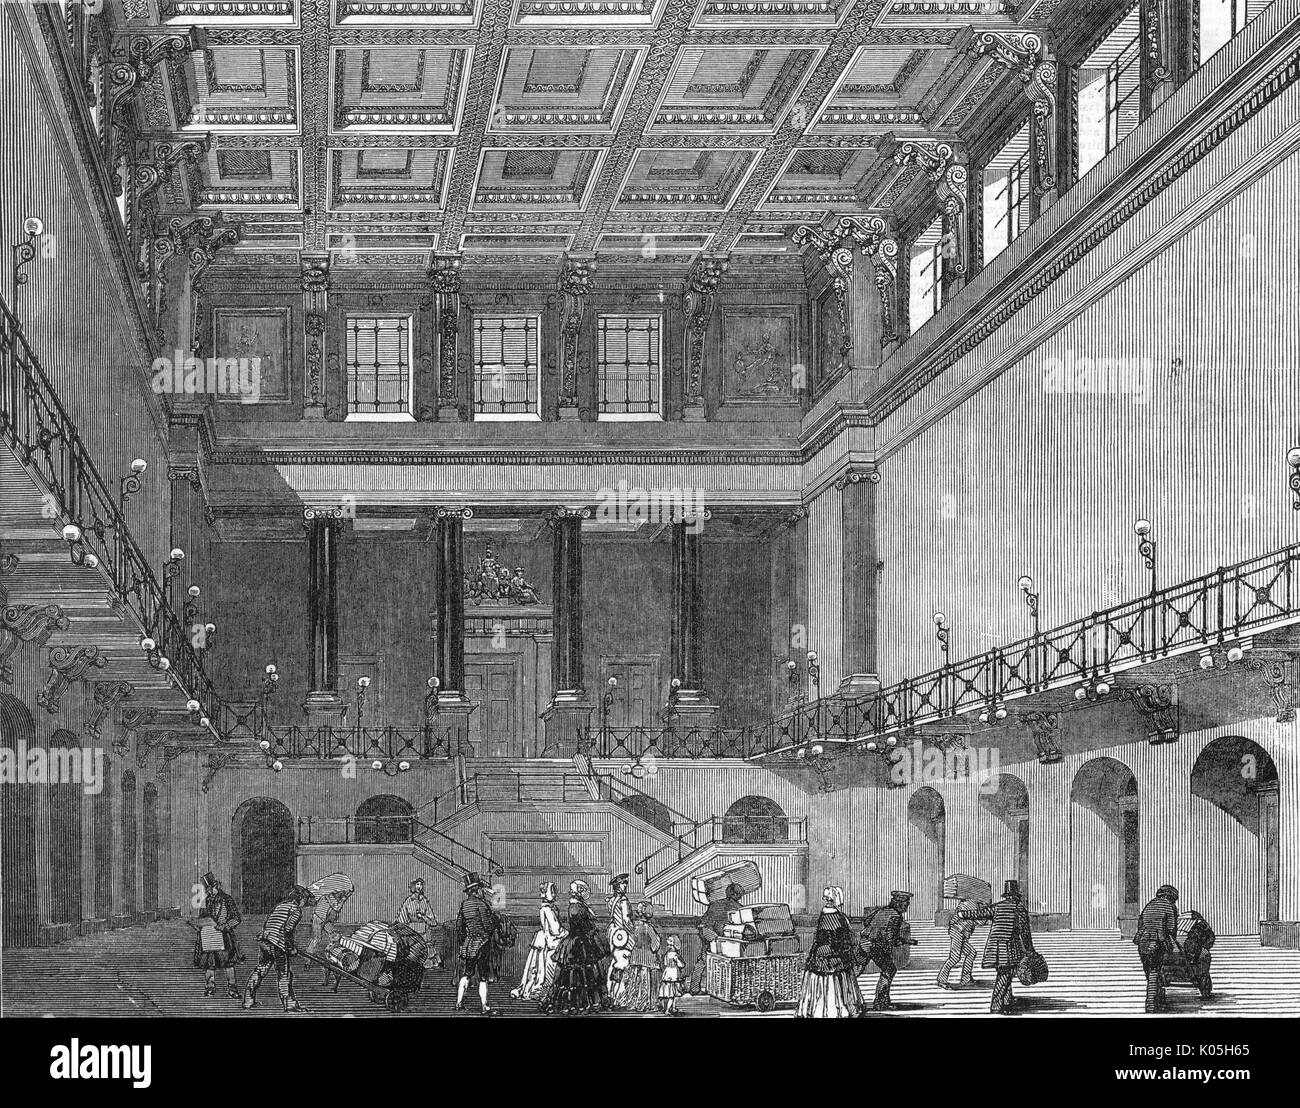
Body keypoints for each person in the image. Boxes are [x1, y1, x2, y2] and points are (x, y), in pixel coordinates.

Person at [959, 879, 1036, 1014]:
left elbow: (980, 913)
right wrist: (1030, 951)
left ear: (1006, 896)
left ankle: (1008, 999)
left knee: (1005, 972)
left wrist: (963, 914)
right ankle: (996, 1005)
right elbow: (1025, 933)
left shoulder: (997, 906)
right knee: (1005, 974)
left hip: (994, 947)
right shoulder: (1019, 909)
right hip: (1009, 947)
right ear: (1016, 895)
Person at [540, 879, 608, 1013]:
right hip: (578, 943)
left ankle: (587, 1003)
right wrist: (591, 931)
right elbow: (581, 926)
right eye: (582, 891)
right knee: (577, 975)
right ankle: (577, 1004)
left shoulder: (578, 905)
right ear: (578, 892)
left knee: (586, 974)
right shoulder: (576, 907)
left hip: (582, 941)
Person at [243, 884, 311, 1013]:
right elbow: (288, 930)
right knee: (284, 974)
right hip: (277, 943)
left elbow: (268, 923)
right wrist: (291, 948)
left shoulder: (280, 906)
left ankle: (248, 1001)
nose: (305, 902)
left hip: (265, 941)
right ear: (299, 898)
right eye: (305, 899)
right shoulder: (296, 910)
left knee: (260, 970)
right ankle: (290, 1005)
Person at [796, 886, 862, 1018]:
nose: (827, 901)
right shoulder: (838, 917)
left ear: (835, 901)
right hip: (828, 956)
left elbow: (842, 937)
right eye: (826, 899)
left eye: (829, 899)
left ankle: (829, 1010)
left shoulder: (835, 917)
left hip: (831, 955)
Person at [454, 872, 501, 1016]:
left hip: (469, 944)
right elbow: (488, 926)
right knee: (483, 976)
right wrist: (495, 921)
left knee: (467, 973)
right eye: (480, 888)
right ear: (476, 890)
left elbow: (459, 927)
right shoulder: (481, 905)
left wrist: (464, 942)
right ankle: (484, 1006)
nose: (482, 891)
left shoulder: (464, 905)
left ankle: (459, 1003)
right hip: (482, 943)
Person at [862, 890, 915, 1012]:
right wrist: (904, 941)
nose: (907, 907)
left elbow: (866, 922)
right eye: (906, 904)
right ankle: (881, 1003)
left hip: (864, 942)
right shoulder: (895, 916)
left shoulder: (882, 910)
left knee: (855, 971)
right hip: (875, 946)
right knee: (889, 970)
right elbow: (891, 939)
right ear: (899, 904)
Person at [512, 882, 566, 1000]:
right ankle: (542, 990)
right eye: (551, 891)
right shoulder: (547, 909)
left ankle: (540, 988)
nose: (554, 894)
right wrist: (566, 933)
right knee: (543, 967)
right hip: (549, 940)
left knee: (539, 967)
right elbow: (556, 929)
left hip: (546, 938)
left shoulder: (547, 907)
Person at [193, 872, 243, 999]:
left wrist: (225, 925)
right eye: (207, 889)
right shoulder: (206, 901)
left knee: (228, 963)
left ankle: (232, 988)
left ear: (217, 886)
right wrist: (198, 925)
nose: (209, 891)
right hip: (208, 936)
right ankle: (210, 987)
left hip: (224, 936)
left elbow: (236, 918)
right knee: (209, 964)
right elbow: (202, 917)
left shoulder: (227, 899)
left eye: (211, 888)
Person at [691, 881, 745, 994]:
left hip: (715, 936)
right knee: (710, 962)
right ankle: (708, 988)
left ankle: (696, 988)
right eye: (738, 894)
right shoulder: (738, 908)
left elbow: (702, 924)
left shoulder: (716, 904)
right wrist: (712, 936)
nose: (739, 897)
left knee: (704, 961)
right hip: (717, 937)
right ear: (735, 894)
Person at [1134, 884, 1179, 1013]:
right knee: (1155, 970)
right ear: (1170, 897)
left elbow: (1140, 924)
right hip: (1157, 943)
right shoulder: (1170, 907)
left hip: (1143, 943)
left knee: (1149, 972)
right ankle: (1153, 1002)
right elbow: (1171, 928)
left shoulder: (1149, 905)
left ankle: (1154, 997)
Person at [937, 895, 987, 989]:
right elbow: (979, 921)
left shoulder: (975, 904)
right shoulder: (969, 904)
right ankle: (942, 980)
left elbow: (980, 921)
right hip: (958, 931)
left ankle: (966, 978)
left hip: (961, 933)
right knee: (955, 958)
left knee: (971, 953)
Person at [396, 877, 443, 969]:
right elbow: (402, 919)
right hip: (412, 931)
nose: (419, 887)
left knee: (428, 958)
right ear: (413, 886)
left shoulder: (425, 901)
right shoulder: (408, 901)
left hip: (425, 932)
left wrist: (423, 917)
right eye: (417, 884)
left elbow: (433, 921)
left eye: (421, 884)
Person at [625, 901, 662, 1012]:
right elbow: (655, 942)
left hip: (635, 958)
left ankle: (633, 1003)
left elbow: (630, 941)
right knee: (646, 983)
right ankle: (645, 1004)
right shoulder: (647, 927)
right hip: (647, 959)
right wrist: (654, 951)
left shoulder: (634, 926)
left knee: (635, 981)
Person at [606, 873, 633, 1006]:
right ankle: (620, 998)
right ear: (617, 886)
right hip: (623, 935)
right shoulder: (623, 901)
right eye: (623, 883)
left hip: (614, 934)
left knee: (615, 963)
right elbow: (626, 920)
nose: (625, 885)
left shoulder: (611, 901)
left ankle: (611, 994)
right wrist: (634, 933)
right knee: (623, 964)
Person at [658, 935, 686, 1016]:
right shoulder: (675, 955)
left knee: (668, 992)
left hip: (667, 973)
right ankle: (668, 1009)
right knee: (673, 993)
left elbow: (665, 964)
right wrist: (679, 961)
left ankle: (671, 1008)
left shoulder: (667, 954)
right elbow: (681, 965)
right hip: (673, 973)